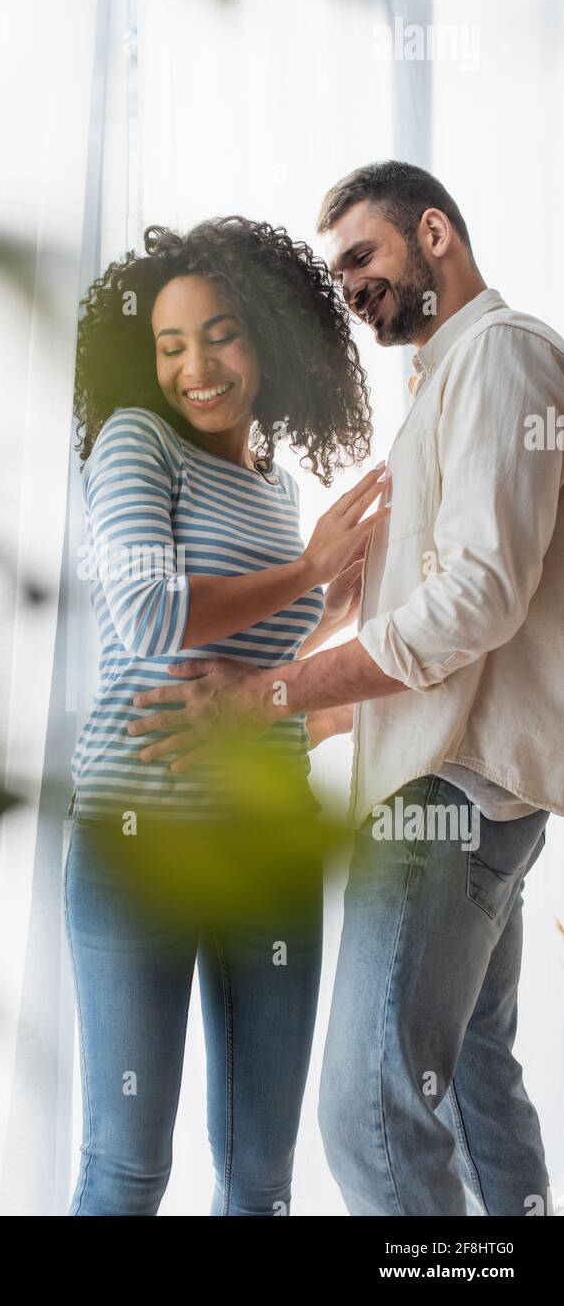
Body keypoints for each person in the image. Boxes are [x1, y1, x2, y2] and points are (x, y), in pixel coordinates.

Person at [131, 163, 563, 1216]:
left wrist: (270, 693)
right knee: (468, 1085)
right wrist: (302, 710)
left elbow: (475, 604)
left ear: (435, 233)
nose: (353, 285)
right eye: (338, 271)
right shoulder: (453, 382)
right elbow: (454, 640)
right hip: (466, 789)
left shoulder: (499, 359)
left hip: (445, 801)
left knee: (368, 1123)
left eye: (363, 256)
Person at [64, 215, 387, 1215]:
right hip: (141, 835)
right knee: (128, 1165)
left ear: (274, 340)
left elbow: (259, 656)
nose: (194, 365)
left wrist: (339, 595)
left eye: (221, 334)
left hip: (271, 842)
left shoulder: (277, 485)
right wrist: (308, 569)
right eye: (169, 343)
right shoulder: (134, 442)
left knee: (259, 1173)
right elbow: (153, 616)